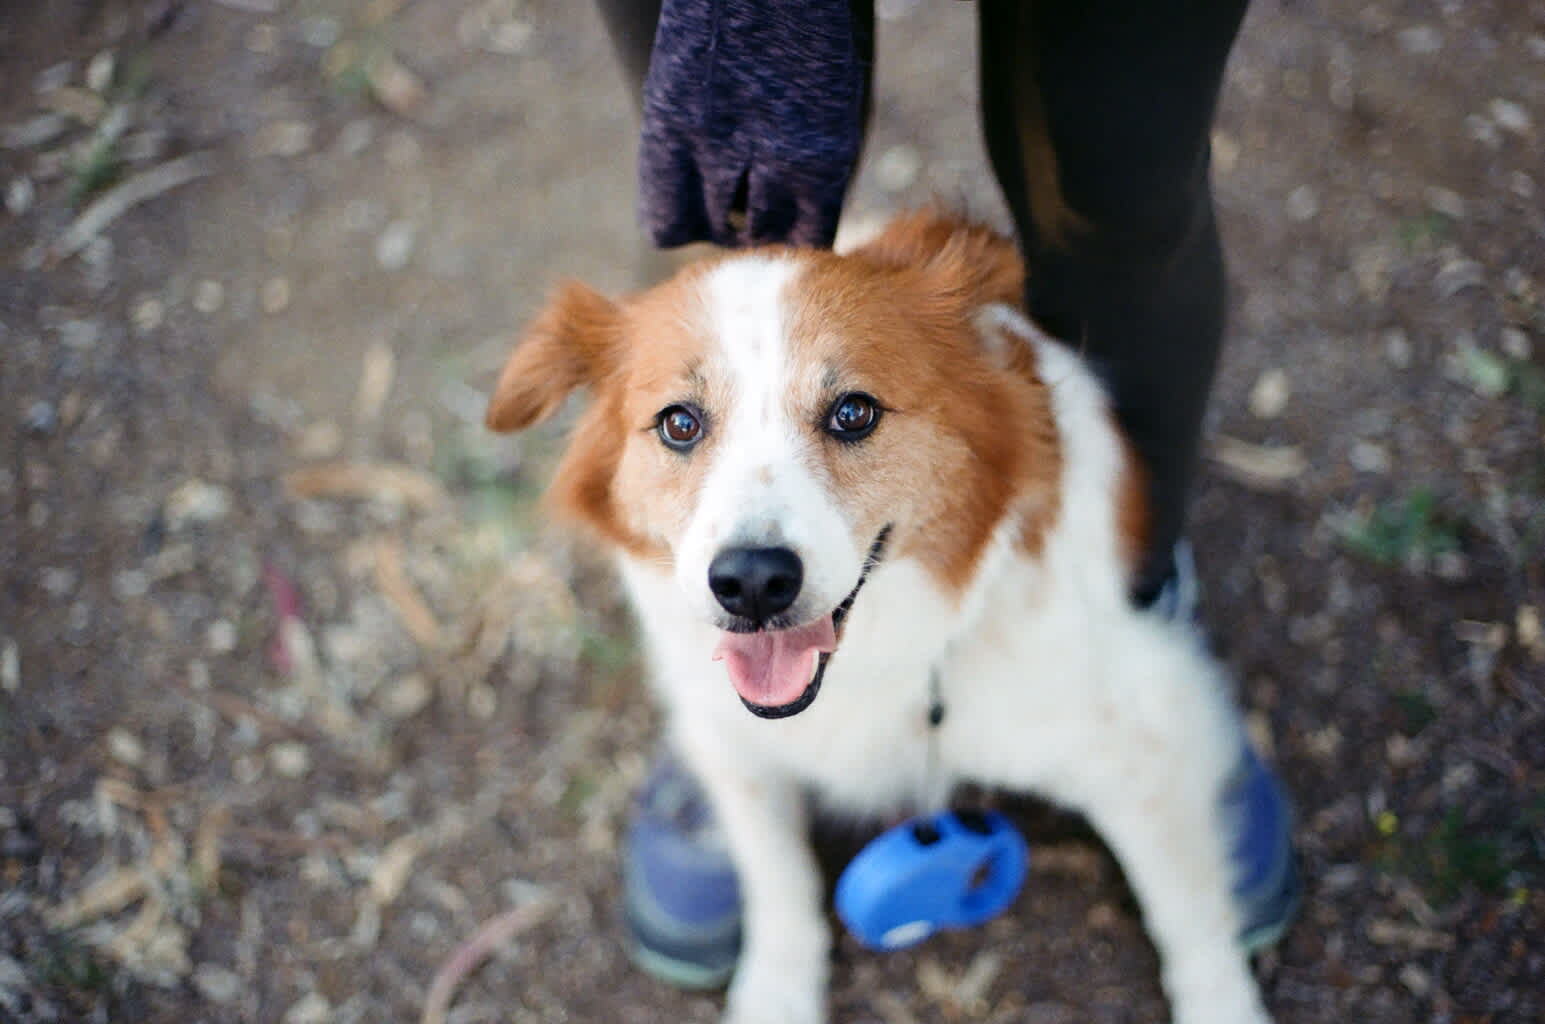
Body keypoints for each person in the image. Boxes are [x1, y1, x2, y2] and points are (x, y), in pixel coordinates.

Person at [592, 0, 1298, 990]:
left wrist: (1210, 983)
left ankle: (1136, 594)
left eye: (848, 417)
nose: (749, 556)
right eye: (680, 426)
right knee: (719, 173)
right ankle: (733, 759)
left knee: (1118, 177)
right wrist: (785, 952)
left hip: (1014, 585)